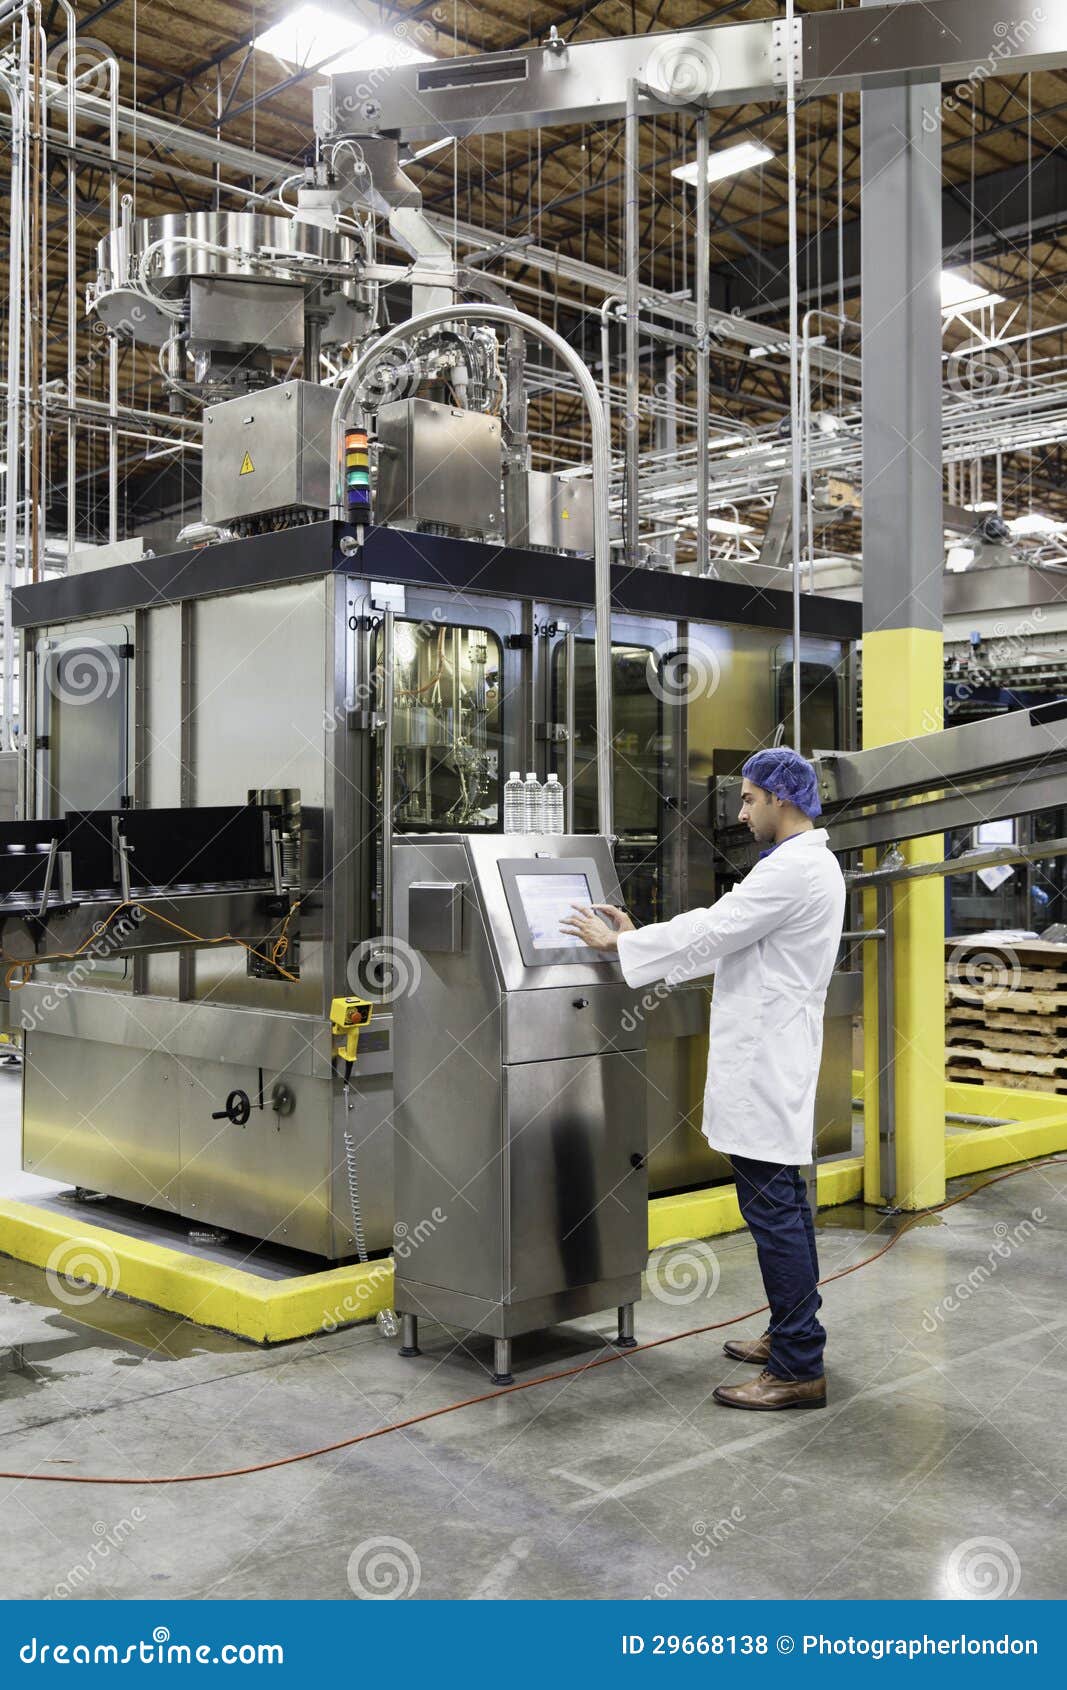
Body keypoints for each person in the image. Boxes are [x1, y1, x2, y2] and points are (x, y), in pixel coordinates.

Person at [559, 746, 846, 1411]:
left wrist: (621, 946)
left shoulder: (794, 870)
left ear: (780, 798)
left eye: (748, 798)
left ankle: (798, 1365)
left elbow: (719, 927)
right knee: (784, 1208)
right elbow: (733, 938)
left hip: (767, 1065)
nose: (740, 811)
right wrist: (644, 937)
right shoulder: (802, 865)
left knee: (774, 1212)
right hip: (773, 1057)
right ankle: (788, 1334)